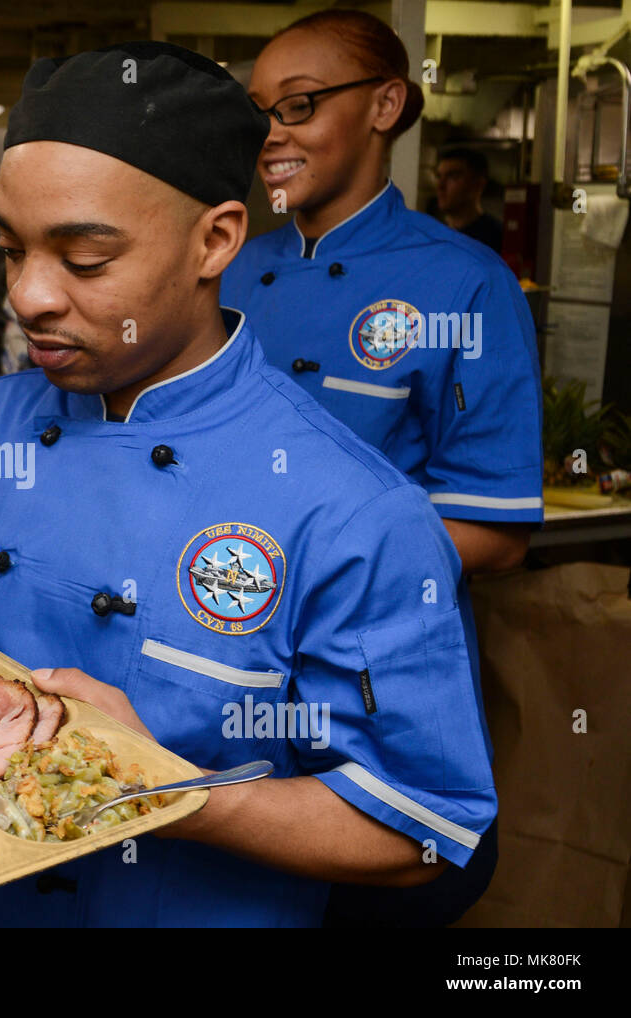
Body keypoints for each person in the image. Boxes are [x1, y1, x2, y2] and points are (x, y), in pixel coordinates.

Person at [0, 41, 496, 928]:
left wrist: (162, 789)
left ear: (216, 241)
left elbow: (424, 830)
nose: (29, 296)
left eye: (84, 260)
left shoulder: (352, 509)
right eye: (12, 250)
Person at [222, 9, 542, 925]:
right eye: (260, 113)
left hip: (369, 671)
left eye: (300, 105)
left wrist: (290, 579)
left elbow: (497, 530)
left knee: (377, 883)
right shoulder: (231, 269)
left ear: (386, 105)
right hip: (226, 660)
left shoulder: (463, 283)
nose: (271, 135)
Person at [435, 147, 504, 252]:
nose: (440, 186)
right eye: (439, 176)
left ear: (478, 184)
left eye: (452, 177)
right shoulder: (435, 235)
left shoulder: (495, 238)